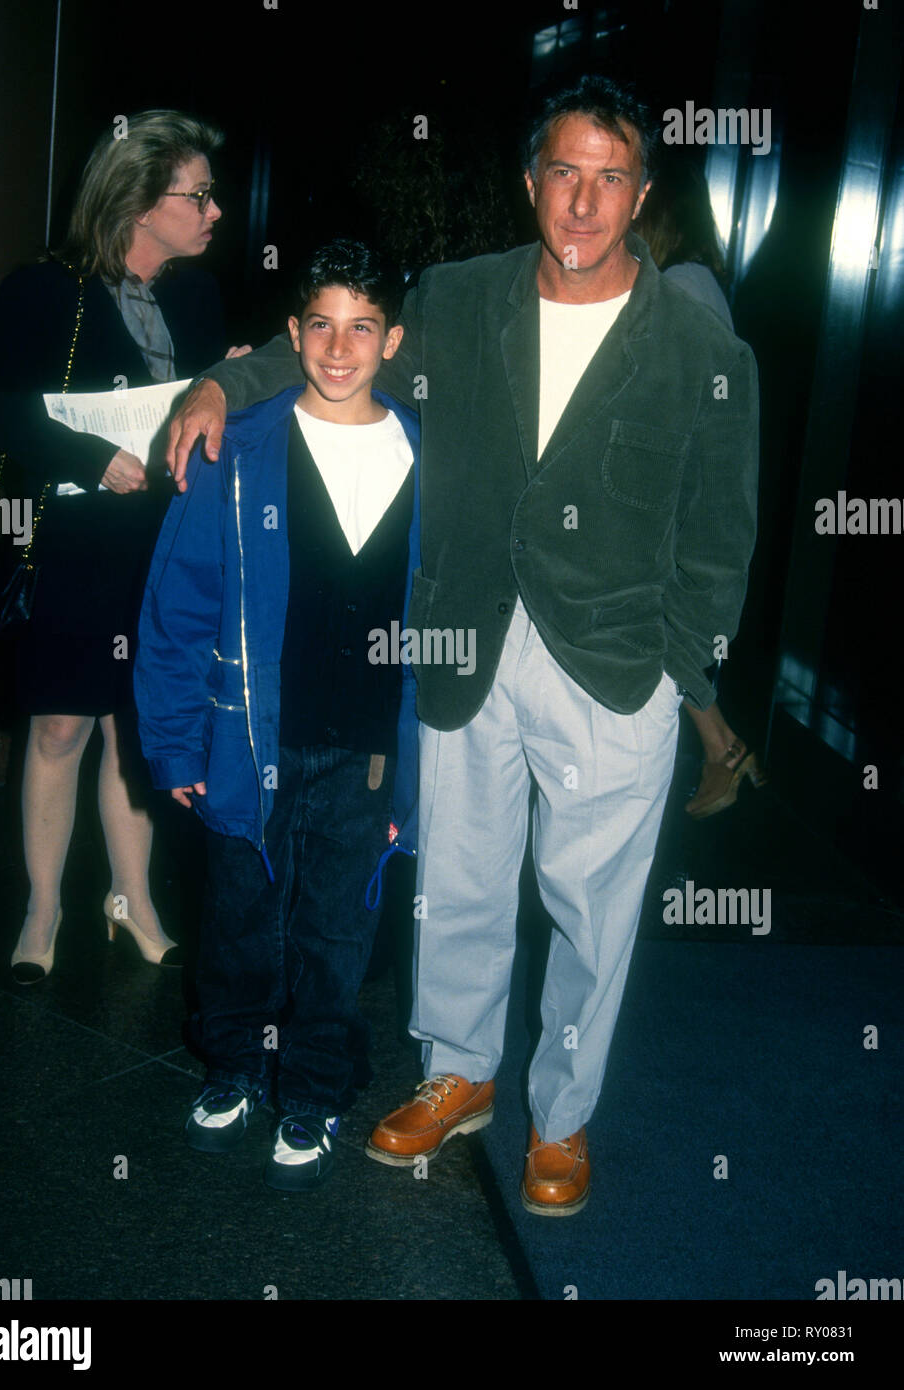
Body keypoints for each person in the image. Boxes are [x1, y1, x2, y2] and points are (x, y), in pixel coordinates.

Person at [165, 76, 760, 1216]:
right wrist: (215, 383)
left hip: (614, 662)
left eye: (611, 177)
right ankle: (459, 1070)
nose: (583, 201)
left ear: (640, 194)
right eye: (564, 172)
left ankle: (565, 1115)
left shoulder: (695, 337)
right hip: (465, 640)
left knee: (592, 910)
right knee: (461, 880)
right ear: (530, 180)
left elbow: (720, 529)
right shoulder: (456, 294)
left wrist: (680, 671)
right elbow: (334, 357)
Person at [134, 240, 420, 1192]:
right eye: (322, 325)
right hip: (249, 736)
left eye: (363, 327)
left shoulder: (427, 457)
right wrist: (175, 741)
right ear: (294, 335)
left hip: (369, 748)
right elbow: (177, 606)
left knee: (339, 929)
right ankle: (233, 1066)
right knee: (243, 919)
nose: (340, 348)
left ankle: (312, 1089)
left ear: (393, 340)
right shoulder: (241, 447)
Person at [0, 109, 249, 984]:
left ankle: (131, 900)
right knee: (60, 725)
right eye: (199, 196)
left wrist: (234, 383)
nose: (216, 211)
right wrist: (95, 458)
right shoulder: (41, 292)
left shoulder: (198, 297)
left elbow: (208, 417)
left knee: (138, 729)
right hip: (75, 544)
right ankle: (43, 907)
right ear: (139, 201)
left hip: (165, 546)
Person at [636, 155, 767, 817]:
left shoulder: (679, 288)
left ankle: (723, 749)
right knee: (667, 641)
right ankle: (723, 748)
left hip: (674, 509)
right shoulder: (700, 281)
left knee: (665, 636)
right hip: (685, 506)